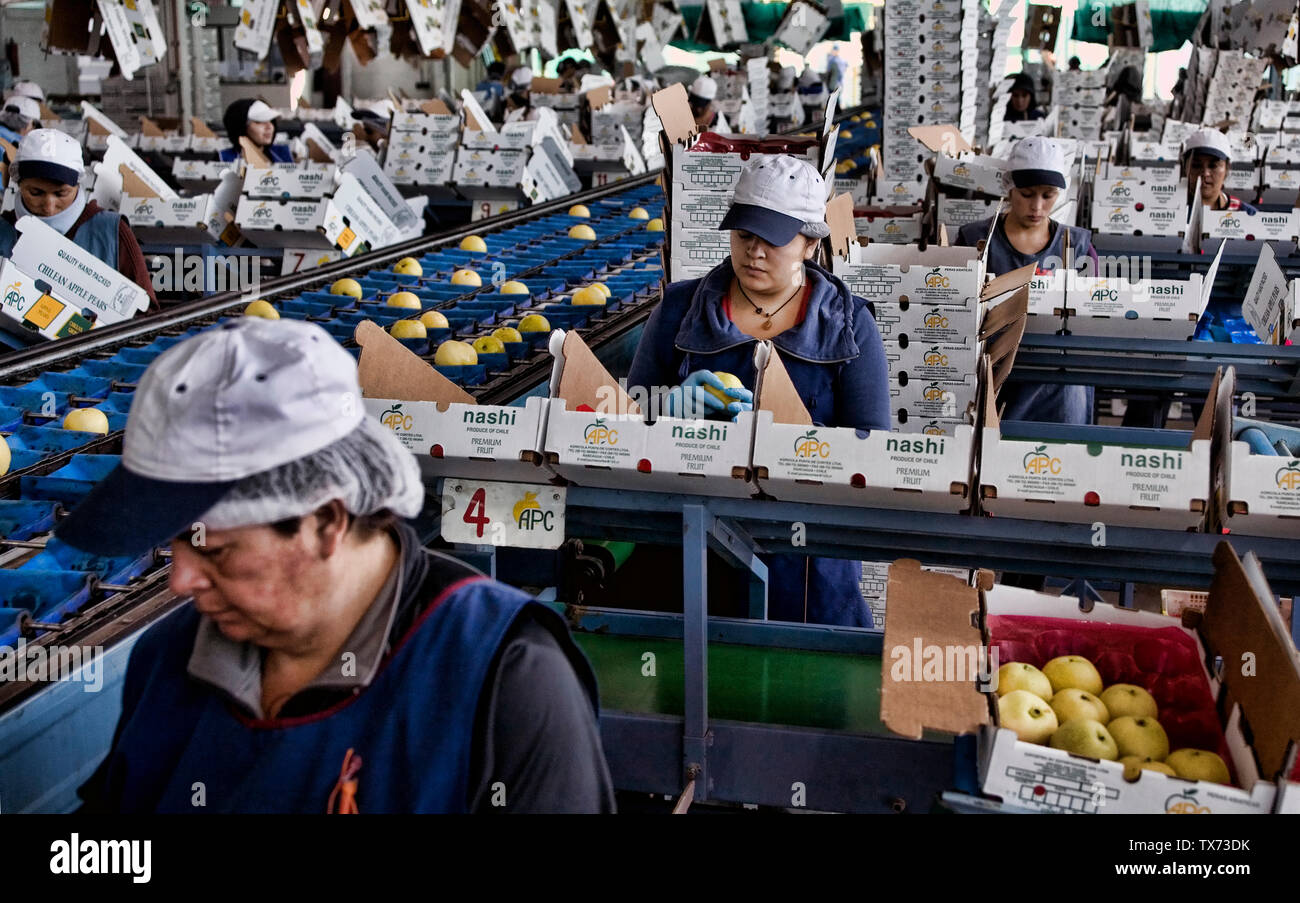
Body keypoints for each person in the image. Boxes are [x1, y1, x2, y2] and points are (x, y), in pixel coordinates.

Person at [68, 318, 616, 813]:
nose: (181, 582)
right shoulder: (169, 660)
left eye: (212, 548)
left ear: (328, 522)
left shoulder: (504, 675)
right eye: (173, 547)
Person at [628, 156, 889, 628]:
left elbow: (876, 453)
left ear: (810, 242)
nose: (754, 252)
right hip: (692, 546)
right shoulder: (679, 311)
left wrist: (799, 441)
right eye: (744, 235)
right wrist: (661, 412)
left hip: (805, 560)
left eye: (773, 238)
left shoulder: (850, 328)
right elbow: (627, 421)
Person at [955, 137, 1094, 425]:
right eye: (1027, 194)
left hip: (1057, 371)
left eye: (1048, 195)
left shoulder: (1078, 245)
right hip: (993, 366)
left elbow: (1093, 314)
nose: (1038, 206)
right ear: (1009, 187)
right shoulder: (976, 239)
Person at [0, 128, 158, 313]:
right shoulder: (4, 232)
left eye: (61, 193)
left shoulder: (111, 233)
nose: (49, 206)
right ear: (18, 184)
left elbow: (148, 317)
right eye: (35, 193)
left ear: (78, 185)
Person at [1183, 127, 1257, 213]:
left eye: (1213, 166)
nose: (1205, 173)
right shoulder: (1172, 212)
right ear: (1185, 168)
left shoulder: (1246, 214)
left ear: (1226, 170)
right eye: (1196, 165)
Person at [219, 98, 293, 164]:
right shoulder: (224, 159)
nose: (269, 127)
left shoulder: (282, 154)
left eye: (271, 121)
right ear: (241, 127)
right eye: (259, 122)